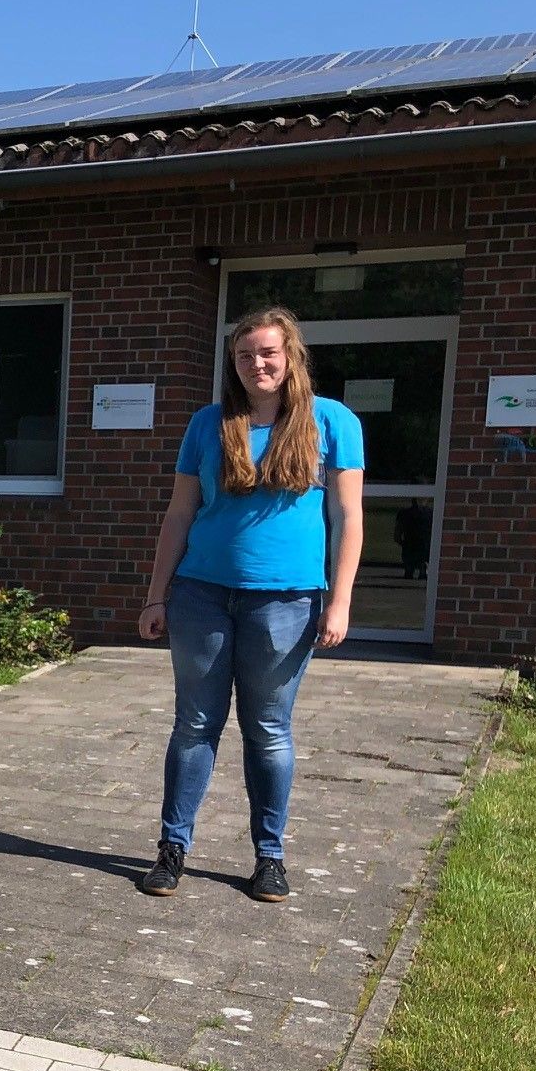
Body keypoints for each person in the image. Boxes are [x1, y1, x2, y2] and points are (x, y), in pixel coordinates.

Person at [138, 305, 364, 903]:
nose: (255, 364)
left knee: (268, 730)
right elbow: (180, 514)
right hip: (201, 597)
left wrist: (339, 603)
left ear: (290, 358)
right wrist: (156, 594)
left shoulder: (332, 422)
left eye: (266, 352)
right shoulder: (208, 424)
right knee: (193, 725)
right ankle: (172, 848)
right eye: (244, 355)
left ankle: (269, 857)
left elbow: (348, 518)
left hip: (287, 603)